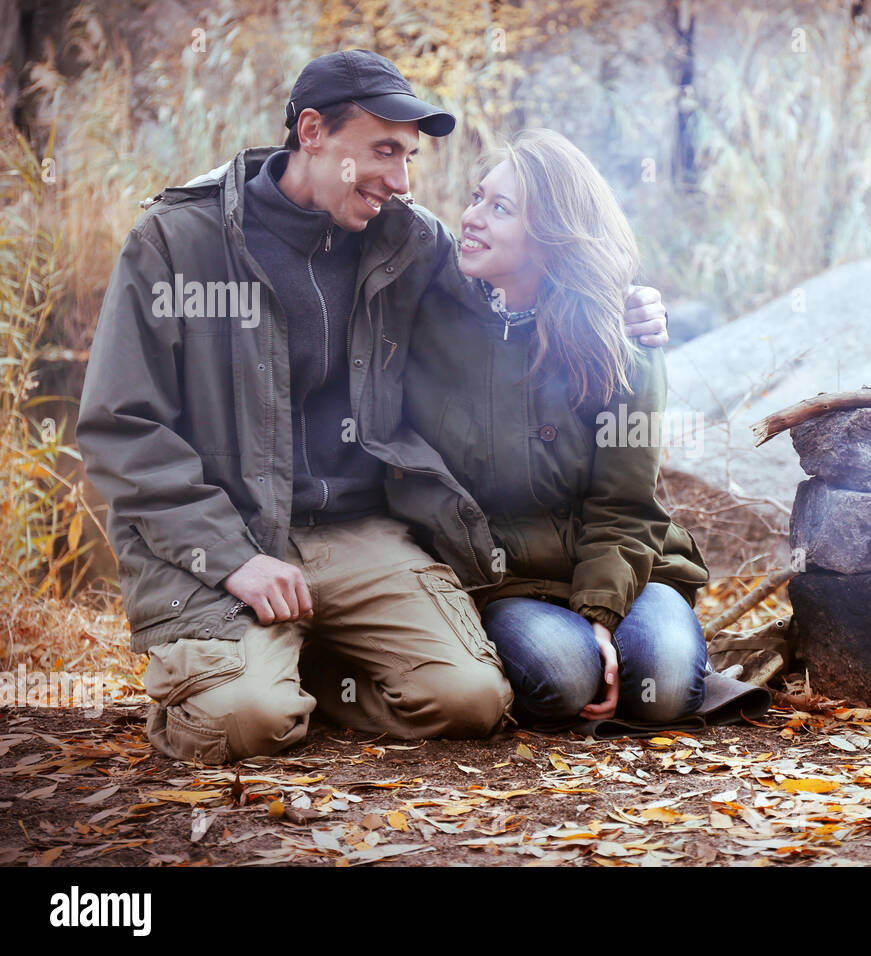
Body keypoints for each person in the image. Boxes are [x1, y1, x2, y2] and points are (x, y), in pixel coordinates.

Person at [75, 51, 670, 763]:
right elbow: (120, 428)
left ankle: (309, 666)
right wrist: (234, 560)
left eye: (410, 156)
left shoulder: (410, 240)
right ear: (313, 131)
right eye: (385, 151)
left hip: (357, 533)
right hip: (224, 534)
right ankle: (258, 679)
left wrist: (624, 304)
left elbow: (522, 284)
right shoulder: (177, 242)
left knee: (473, 701)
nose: (402, 180)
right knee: (246, 724)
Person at [405, 129, 710, 727]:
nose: (471, 218)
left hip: (626, 564)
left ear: (552, 237)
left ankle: (614, 648)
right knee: (566, 678)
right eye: (475, 198)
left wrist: (601, 612)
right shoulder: (430, 313)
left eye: (501, 209)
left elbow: (625, 502)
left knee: (667, 687)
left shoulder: (621, 338)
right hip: (506, 579)